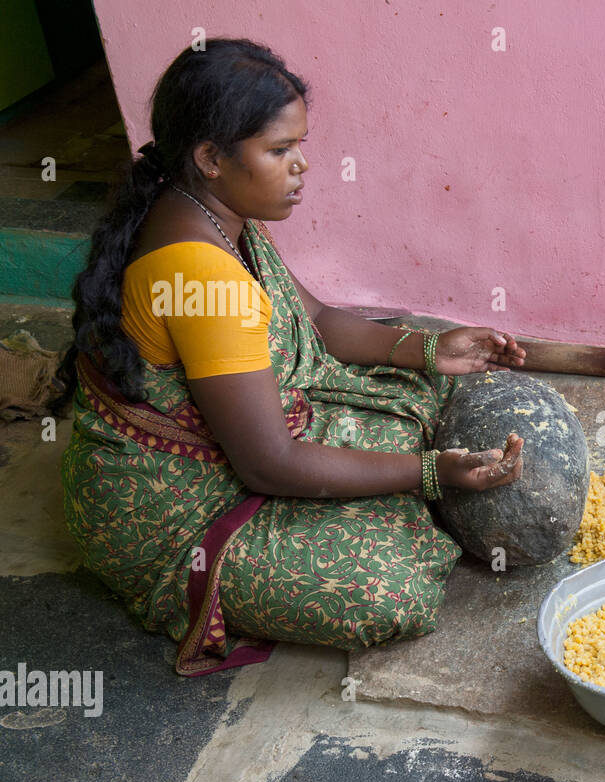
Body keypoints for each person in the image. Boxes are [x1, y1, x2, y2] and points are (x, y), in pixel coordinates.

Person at [53, 39, 526, 675]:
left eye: (299, 145)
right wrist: (432, 473)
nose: (301, 166)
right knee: (386, 590)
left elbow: (320, 320)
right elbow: (270, 465)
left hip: (251, 440)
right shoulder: (200, 276)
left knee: (413, 389)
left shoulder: (217, 212)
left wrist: (430, 348)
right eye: (280, 151)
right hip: (175, 507)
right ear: (211, 158)